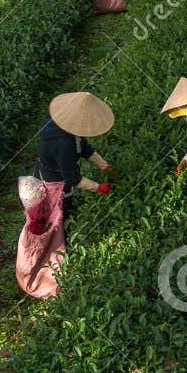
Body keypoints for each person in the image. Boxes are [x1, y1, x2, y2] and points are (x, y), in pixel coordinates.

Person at [18, 92, 113, 298]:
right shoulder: (63, 144)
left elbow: (84, 148)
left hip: (50, 176)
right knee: (55, 227)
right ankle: (50, 272)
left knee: (57, 224)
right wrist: (99, 188)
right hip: (53, 186)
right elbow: (72, 178)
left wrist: (104, 165)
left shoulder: (60, 124)